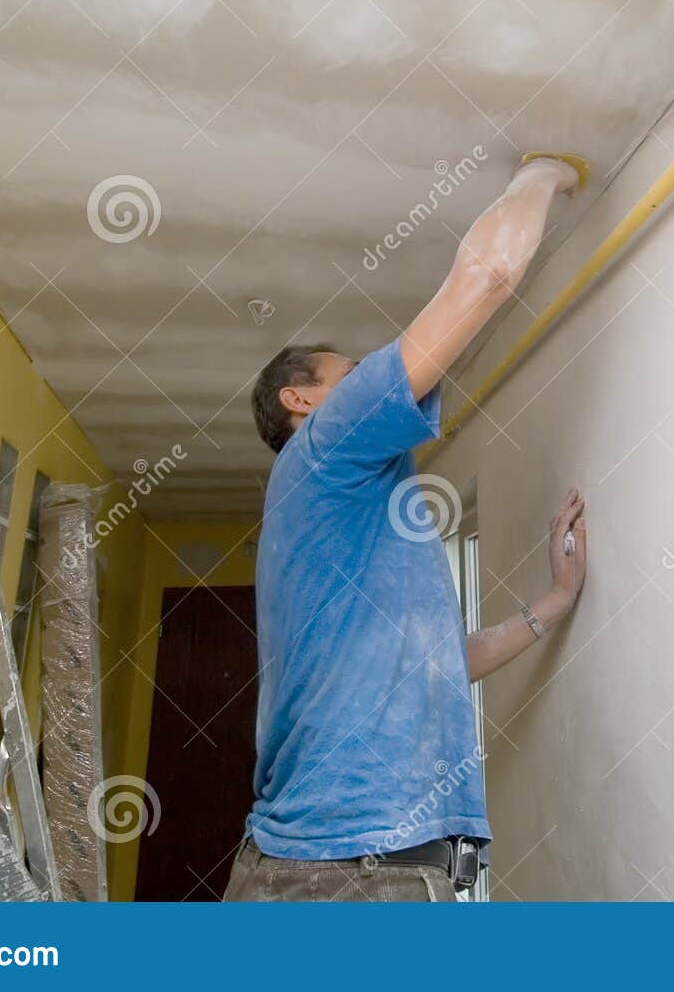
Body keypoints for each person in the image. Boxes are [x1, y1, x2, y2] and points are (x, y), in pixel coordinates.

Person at [225, 155, 588, 902]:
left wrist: (552, 601)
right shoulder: (324, 447)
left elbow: (439, 662)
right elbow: (486, 275)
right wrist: (545, 172)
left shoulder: (335, 508)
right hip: (348, 874)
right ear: (300, 398)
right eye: (350, 372)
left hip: (331, 867)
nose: (369, 382)